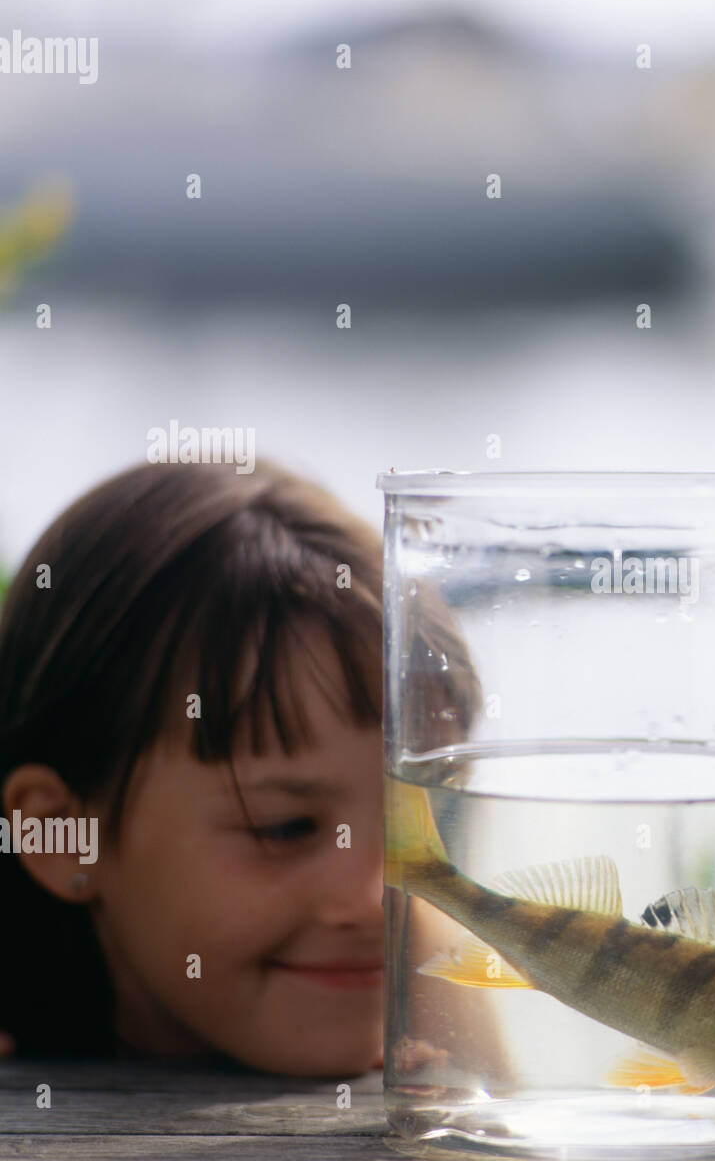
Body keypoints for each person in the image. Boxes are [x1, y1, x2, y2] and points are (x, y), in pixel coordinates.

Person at [0, 459, 486, 1075]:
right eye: (286, 826)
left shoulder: (439, 979)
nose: (376, 899)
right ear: (65, 838)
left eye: (425, 825)